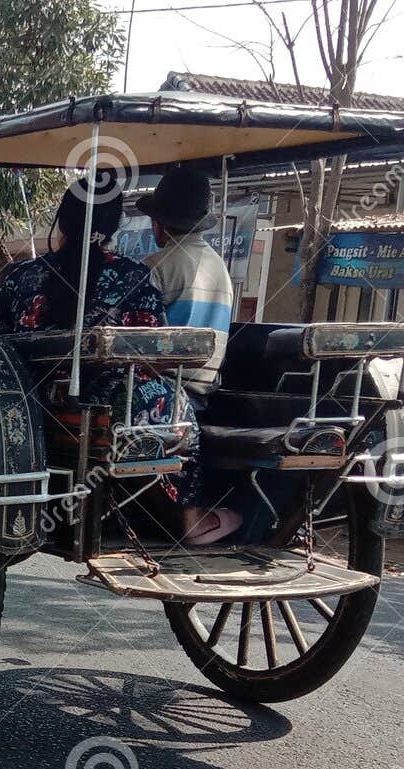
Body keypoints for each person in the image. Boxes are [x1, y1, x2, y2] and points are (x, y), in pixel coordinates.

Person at [0, 169, 234, 545]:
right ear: (112, 228)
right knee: (173, 411)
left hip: (27, 406)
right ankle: (188, 516)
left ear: (62, 222)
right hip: (114, 409)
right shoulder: (134, 277)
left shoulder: (20, 276)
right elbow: (153, 346)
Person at [139, 167, 240, 544]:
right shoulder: (220, 268)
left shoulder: (155, 268)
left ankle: (183, 520)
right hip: (205, 391)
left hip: (161, 396)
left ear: (159, 224)